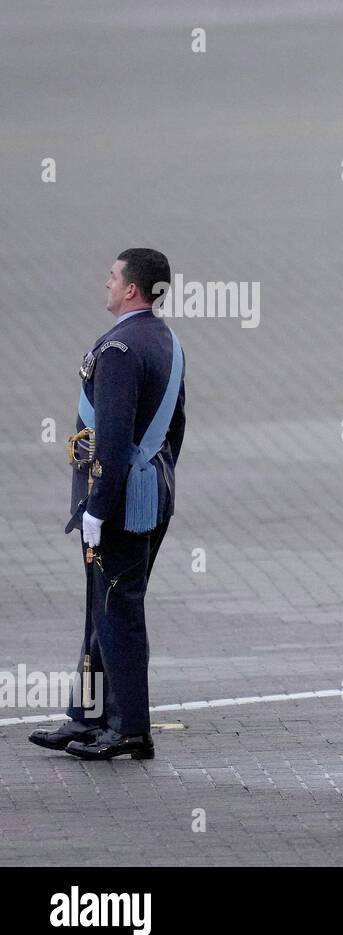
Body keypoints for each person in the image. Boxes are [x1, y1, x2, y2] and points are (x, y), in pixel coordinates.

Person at [30, 249, 185, 761]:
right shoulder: (165, 339)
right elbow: (175, 426)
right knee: (104, 606)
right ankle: (88, 716)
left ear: (132, 290)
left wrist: (98, 506)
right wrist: (157, 476)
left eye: (113, 276)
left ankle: (130, 728)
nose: (107, 282)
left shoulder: (119, 347)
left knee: (117, 609)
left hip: (119, 500)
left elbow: (114, 438)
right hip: (151, 491)